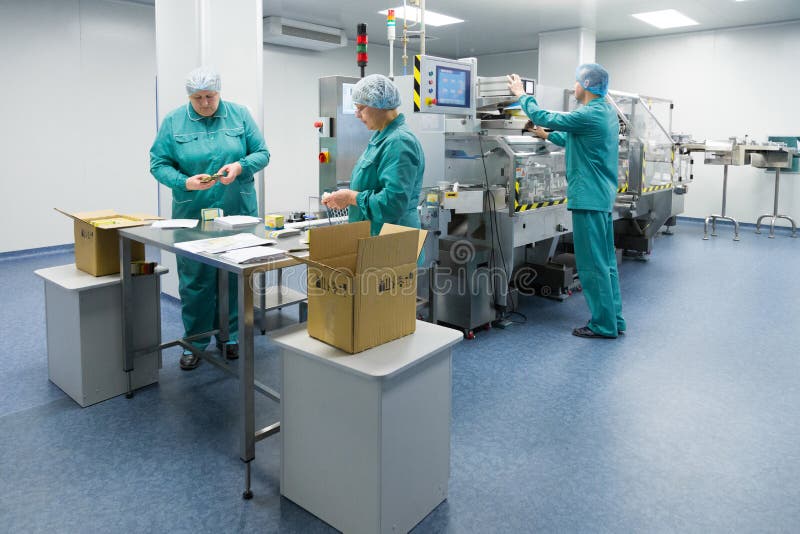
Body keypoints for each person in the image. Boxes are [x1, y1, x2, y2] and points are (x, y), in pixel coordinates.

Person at [150, 67, 270, 369]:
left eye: (210, 96)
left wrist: (241, 167)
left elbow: (262, 153)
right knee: (195, 280)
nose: (205, 103)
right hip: (194, 214)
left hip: (237, 211)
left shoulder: (239, 115)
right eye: (198, 98)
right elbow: (158, 163)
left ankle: (230, 338)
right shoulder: (174, 121)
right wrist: (185, 182)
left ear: (220, 92)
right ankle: (196, 341)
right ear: (189, 96)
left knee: (234, 275)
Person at [508, 64, 626, 339]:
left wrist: (520, 94)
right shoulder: (604, 112)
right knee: (606, 263)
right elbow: (575, 140)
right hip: (601, 197)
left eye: (575, 82)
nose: (574, 87)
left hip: (588, 199)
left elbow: (540, 114)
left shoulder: (589, 112)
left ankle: (603, 325)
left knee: (591, 265)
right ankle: (614, 319)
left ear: (585, 85)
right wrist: (545, 134)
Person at [321, 74, 424, 237]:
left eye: (361, 108)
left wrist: (350, 197)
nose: (357, 114)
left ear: (380, 104)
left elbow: (392, 204)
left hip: (393, 243)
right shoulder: (381, 138)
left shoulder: (399, 142)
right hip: (376, 237)